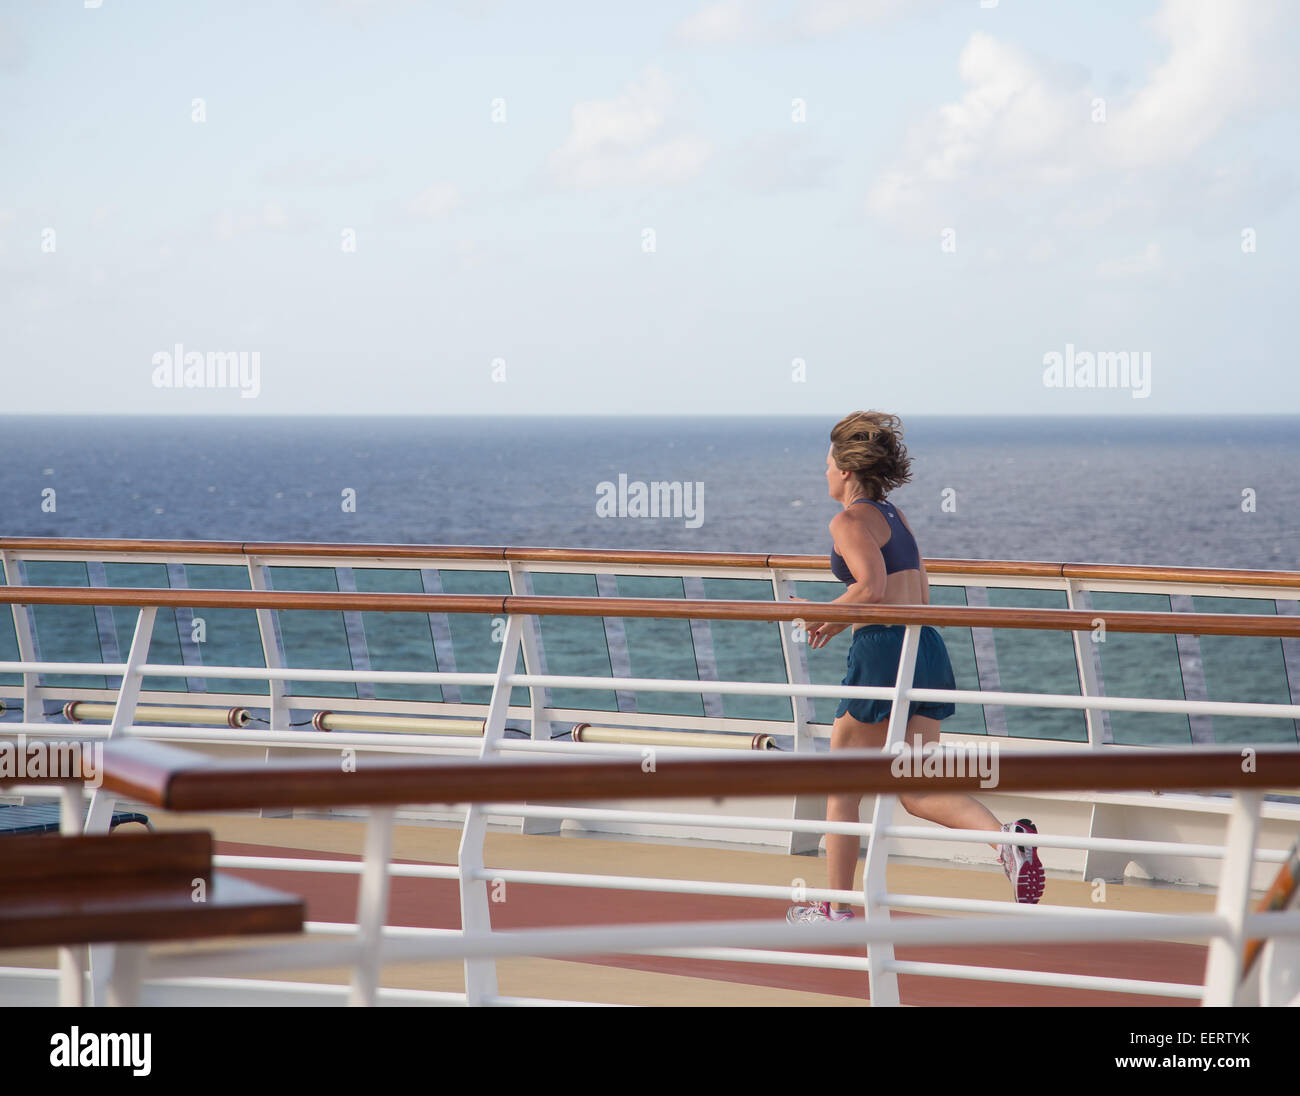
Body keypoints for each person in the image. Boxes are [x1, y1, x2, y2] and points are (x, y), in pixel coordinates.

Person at [786, 411, 1044, 923]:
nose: (823, 473)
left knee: (842, 788)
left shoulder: (848, 520)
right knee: (919, 786)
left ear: (845, 468)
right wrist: (841, 618)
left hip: (882, 649)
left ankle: (835, 908)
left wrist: (824, 614)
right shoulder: (895, 516)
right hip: (925, 646)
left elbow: (873, 587)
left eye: (826, 463)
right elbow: (895, 587)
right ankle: (1005, 842)